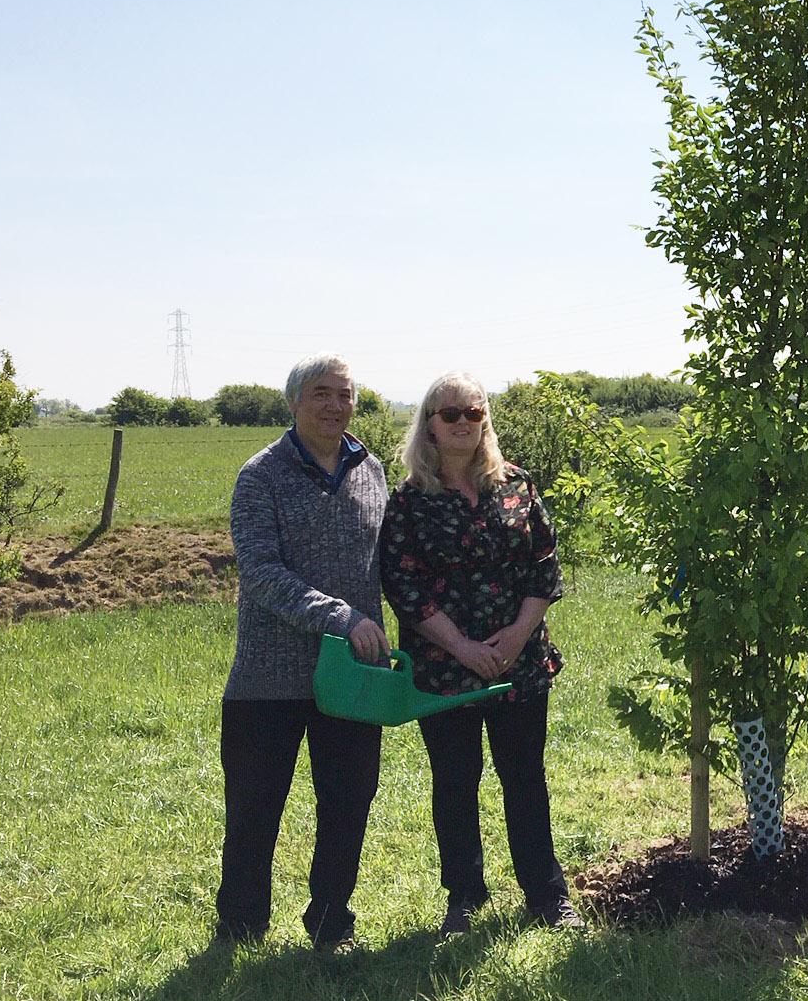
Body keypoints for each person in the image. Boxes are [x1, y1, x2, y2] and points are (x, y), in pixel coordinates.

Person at [379, 371, 581, 933]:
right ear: (430, 426)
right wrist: (463, 647)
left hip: (521, 664)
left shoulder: (517, 485)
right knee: (455, 783)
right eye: (451, 414)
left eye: (474, 412)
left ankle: (546, 895)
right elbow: (404, 585)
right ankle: (464, 898)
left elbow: (545, 565)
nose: (464, 422)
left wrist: (517, 636)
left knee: (525, 779)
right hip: (445, 668)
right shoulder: (411, 501)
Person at [216, 354, 390, 949]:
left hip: (352, 680)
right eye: (320, 393)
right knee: (254, 810)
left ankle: (331, 924)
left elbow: (382, 567)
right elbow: (260, 573)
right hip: (269, 678)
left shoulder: (372, 471)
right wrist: (340, 617)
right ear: (293, 402)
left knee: (348, 805)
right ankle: (241, 929)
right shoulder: (260, 474)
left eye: (344, 394)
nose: (334, 405)